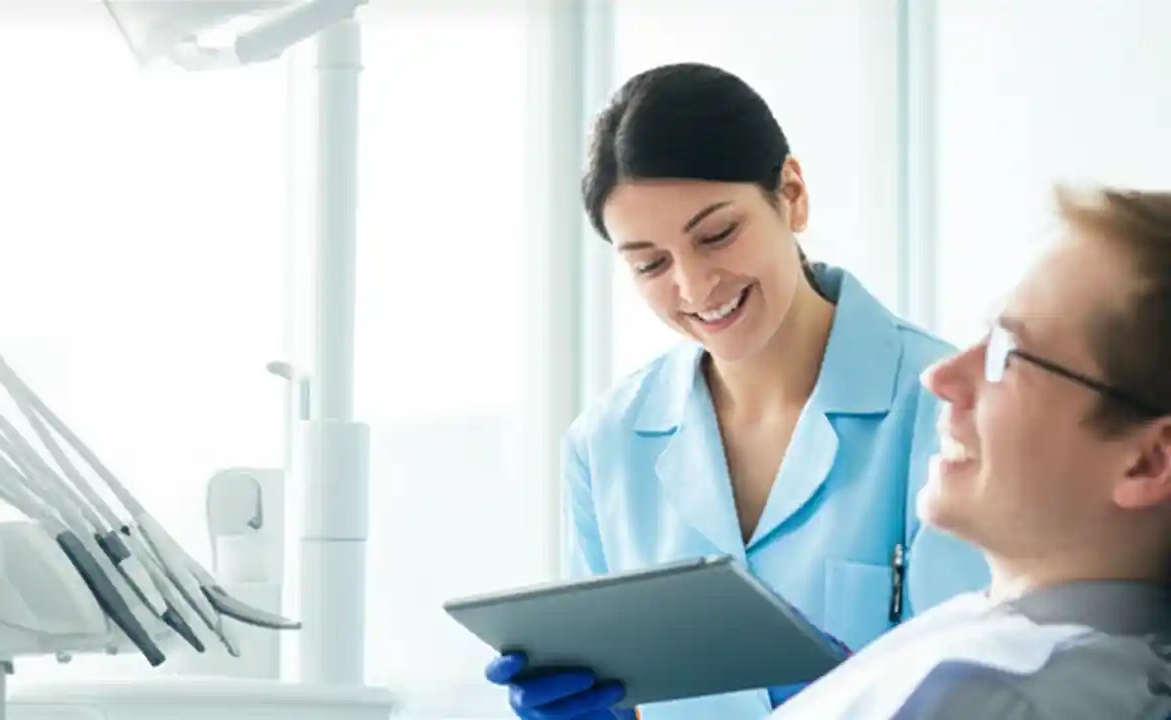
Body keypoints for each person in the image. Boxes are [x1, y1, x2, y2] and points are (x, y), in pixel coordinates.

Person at [482, 62, 989, 719]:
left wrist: (855, 696)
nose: (695, 287)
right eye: (650, 263)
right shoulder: (605, 446)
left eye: (717, 234)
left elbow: (996, 693)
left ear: (793, 193)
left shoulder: (949, 411)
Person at [771, 186, 1171, 718]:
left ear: (1148, 460)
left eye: (1009, 355)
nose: (939, 376)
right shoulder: (1013, 649)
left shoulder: (998, 695)